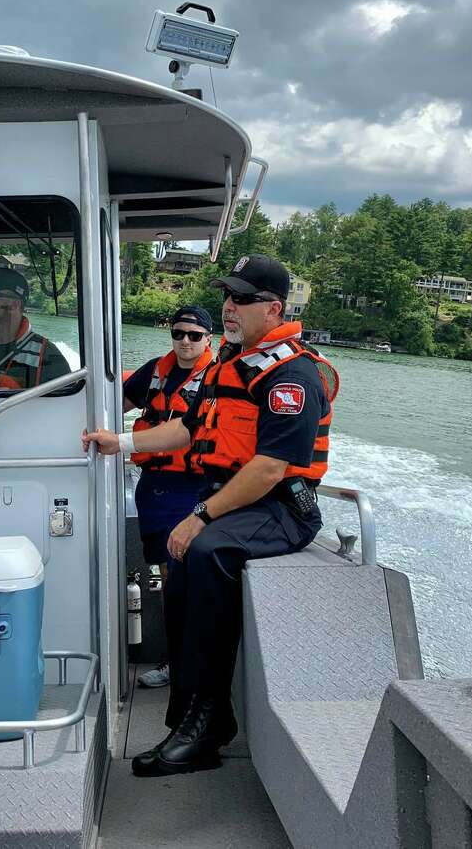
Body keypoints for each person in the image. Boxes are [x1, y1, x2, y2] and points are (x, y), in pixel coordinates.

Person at [83, 254, 339, 778]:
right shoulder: (227, 367)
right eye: (228, 296)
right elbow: (184, 432)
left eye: (242, 299)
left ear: (274, 308)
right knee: (180, 572)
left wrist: (199, 515)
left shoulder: (292, 375)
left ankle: (205, 724)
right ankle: (190, 719)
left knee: (205, 550)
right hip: (237, 499)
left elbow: (269, 469)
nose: (229, 306)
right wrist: (120, 442)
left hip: (282, 509)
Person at [123, 306, 215, 689]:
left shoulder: (217, 377)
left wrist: (122, 442)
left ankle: (191, 668)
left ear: (209, 338)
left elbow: (191, 431)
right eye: (179, 333)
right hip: (154, 489)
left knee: (189, 578)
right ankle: (174, 662)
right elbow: (114, 405)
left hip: (194, 489)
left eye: (195, 335)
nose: (186, 342)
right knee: (166, 577)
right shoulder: (154, 372)